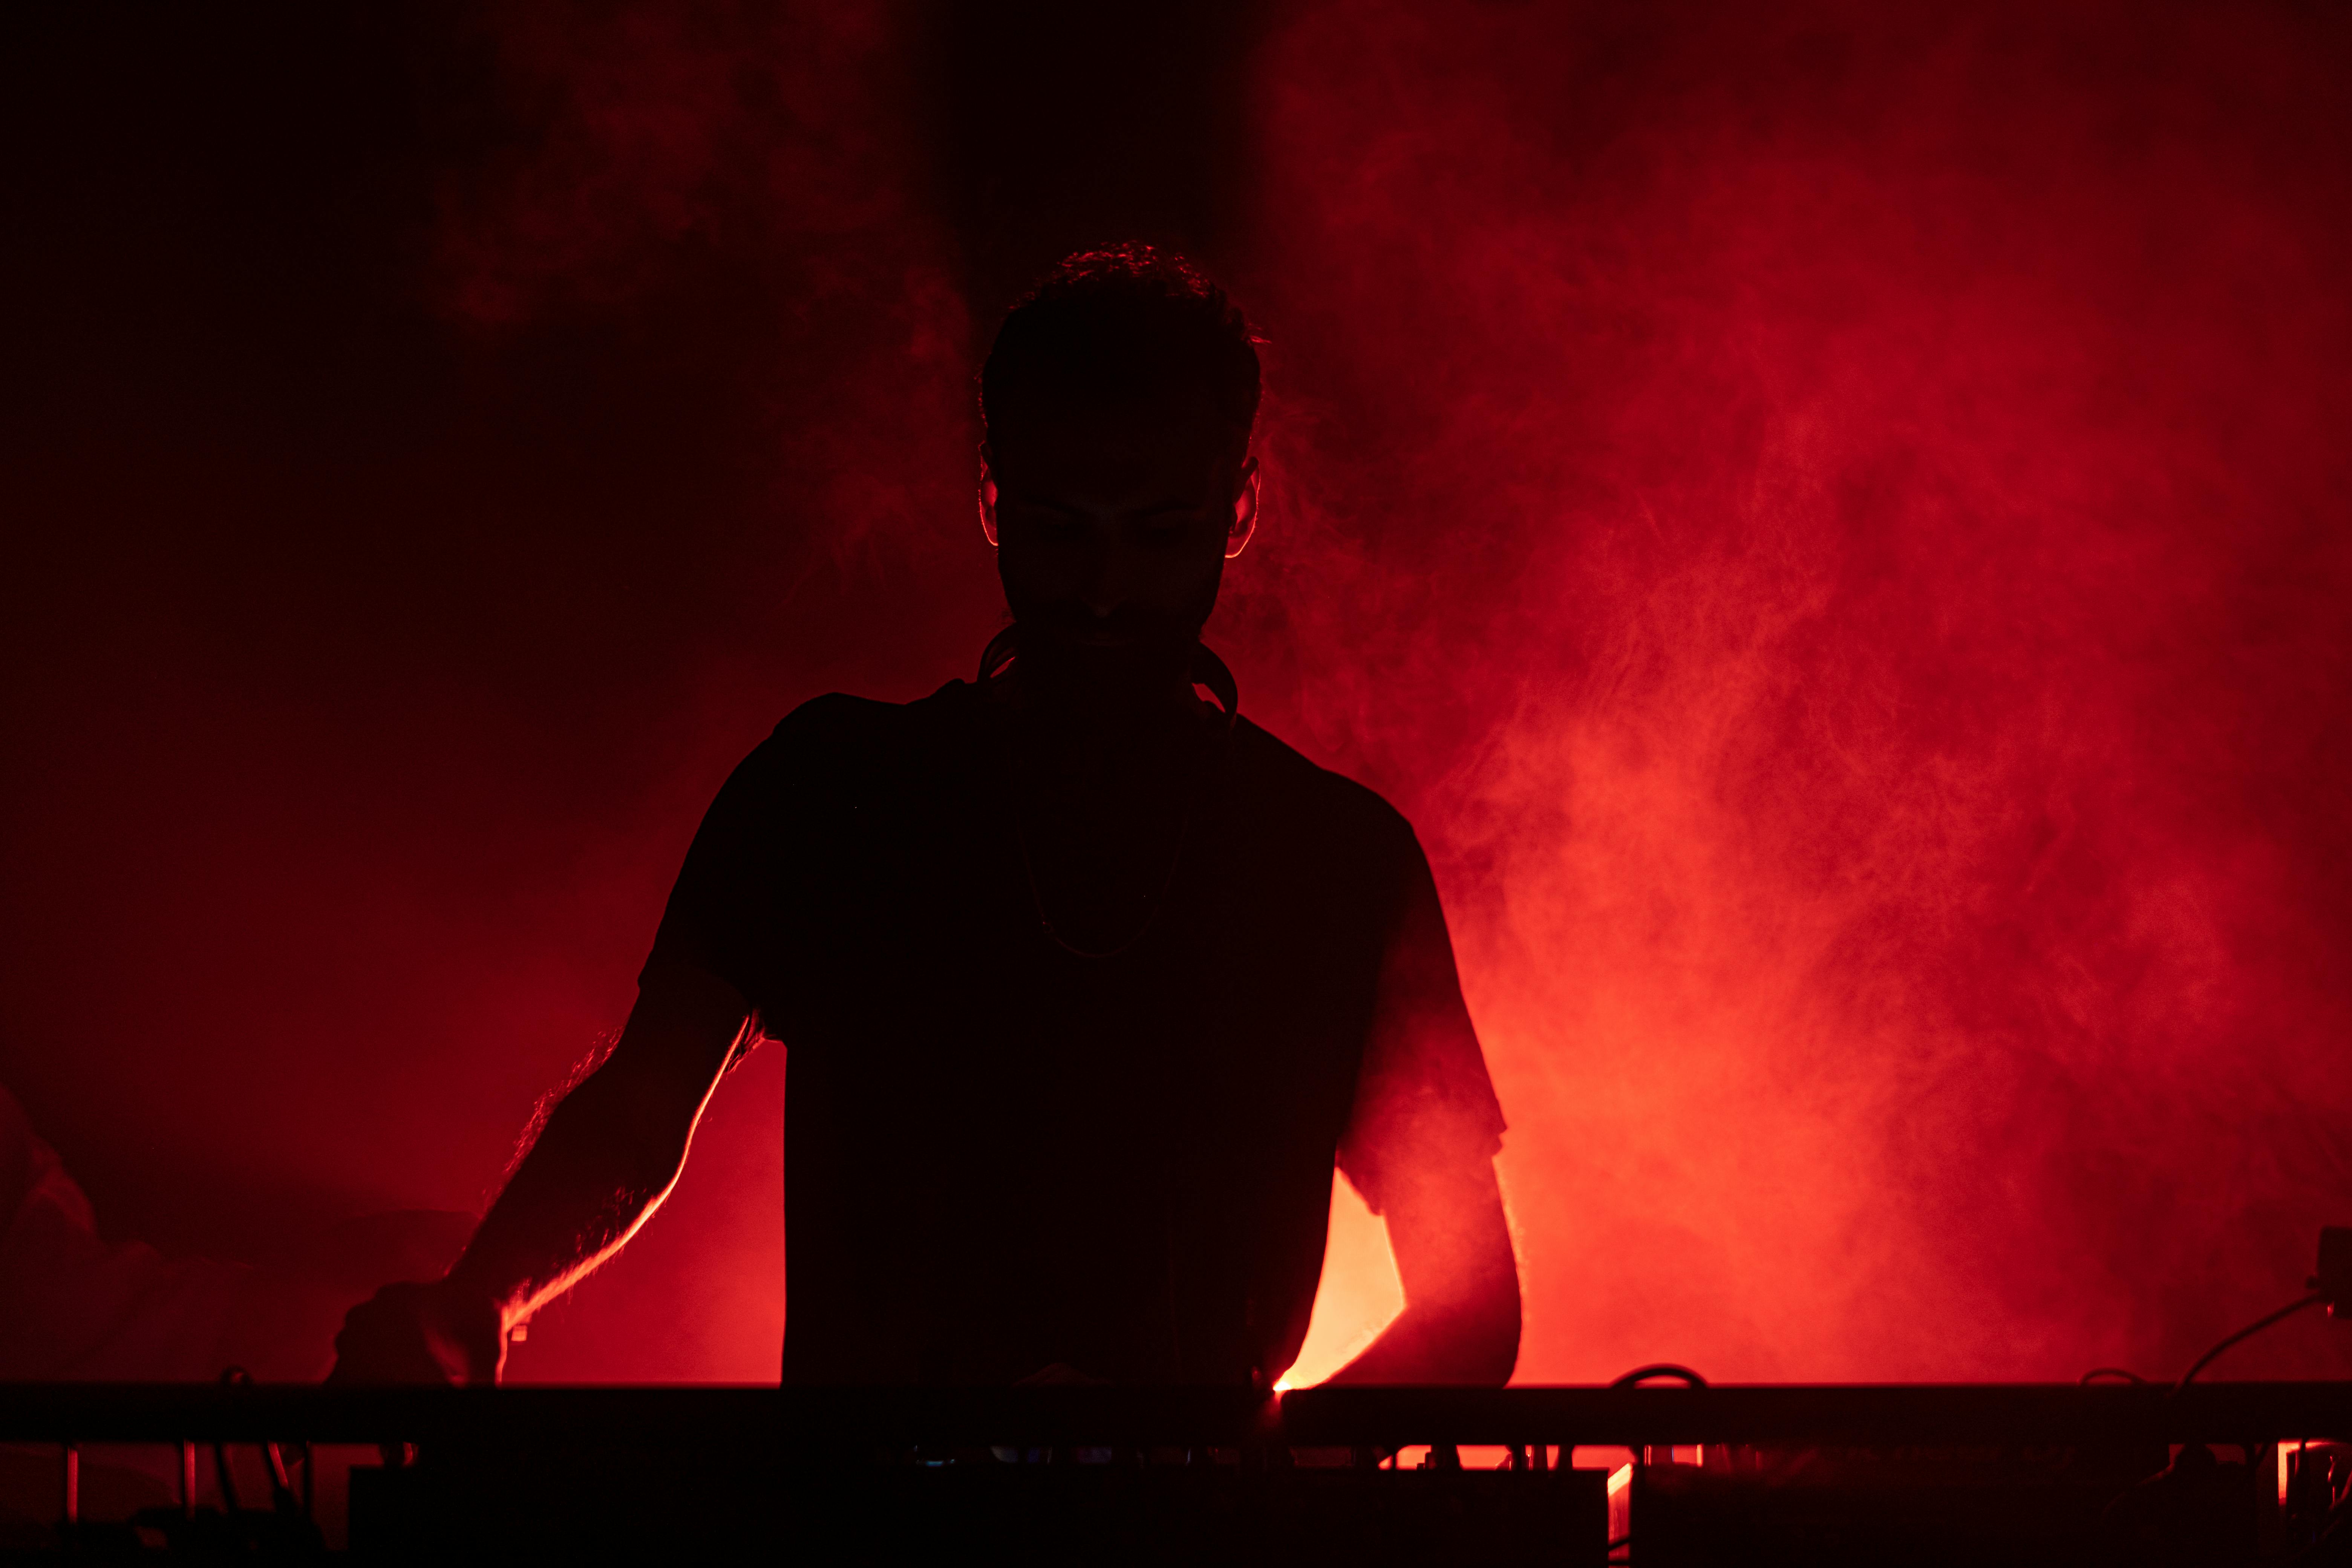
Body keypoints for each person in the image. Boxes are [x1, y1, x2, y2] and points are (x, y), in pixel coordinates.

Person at [330, 244, 1519, 1389]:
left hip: (1127, 1512)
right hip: (878, 1507)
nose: (1105, 591)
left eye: (1158, 533)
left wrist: (1256, 1483)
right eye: (1062, 528)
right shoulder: (833, 788)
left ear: (1240, 509)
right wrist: (475, 1301)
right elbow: (638, 1115)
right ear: (994, 500)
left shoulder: (1342, 863)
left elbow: (1471, 1308)